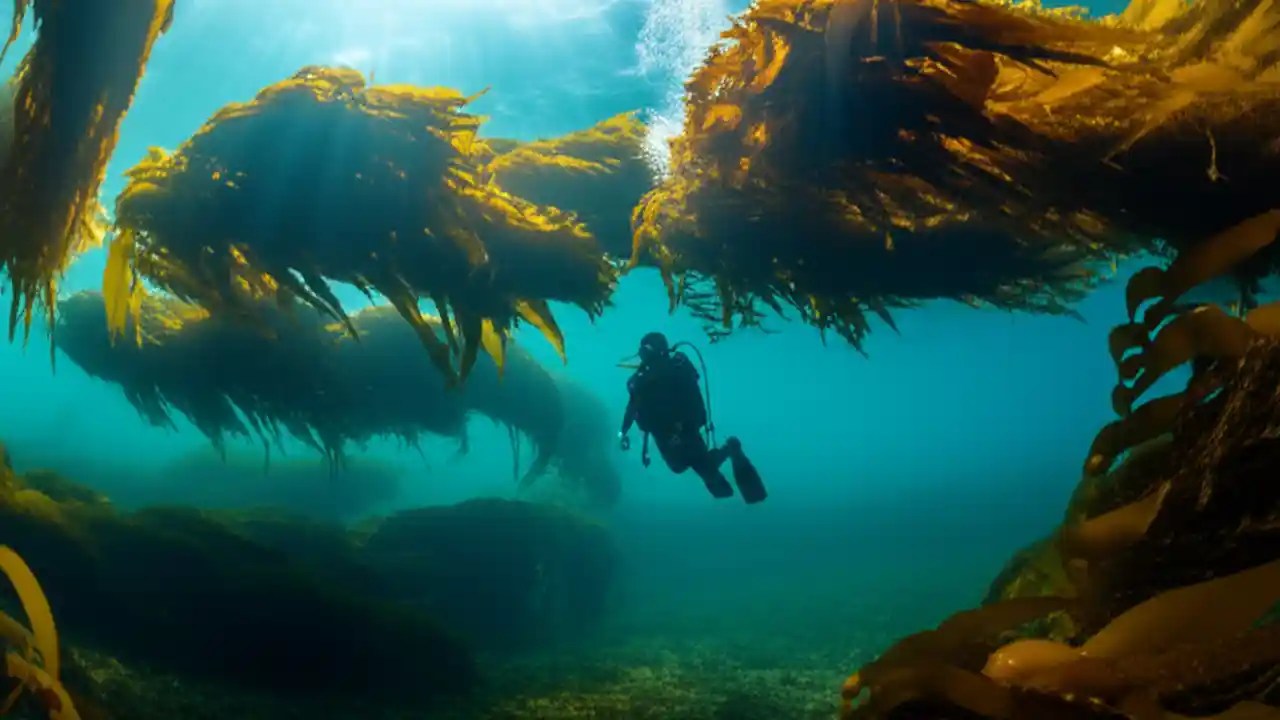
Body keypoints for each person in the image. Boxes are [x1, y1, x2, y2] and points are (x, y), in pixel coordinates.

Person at [618, 332, 767, 504]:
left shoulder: (671, 368)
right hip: (669, 431)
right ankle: (729, 452)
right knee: (684, 466)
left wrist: (686, 424)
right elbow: (633, 406)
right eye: (642, 348)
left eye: (646, 348)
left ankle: (730, 451)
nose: (642, 352)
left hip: (683, 429)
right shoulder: (648, 375)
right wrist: (623, 431)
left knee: (697, 467)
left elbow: (688, 395)